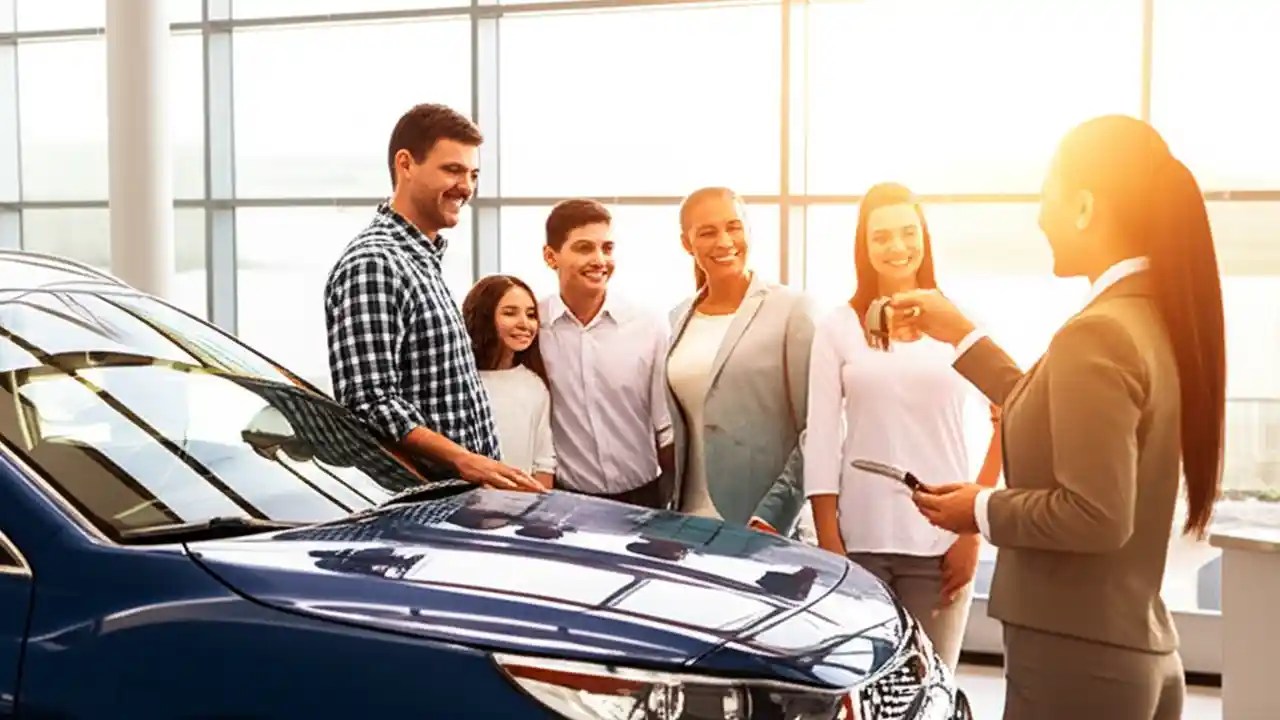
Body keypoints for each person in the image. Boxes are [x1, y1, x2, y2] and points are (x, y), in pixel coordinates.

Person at [891, 115, 1226, 720]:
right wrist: (963, 336)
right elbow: (1061, 414)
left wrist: (978, 508)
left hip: (1077, 658)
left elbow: (1096, 515)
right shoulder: (1152, 320)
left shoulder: (1097, 332)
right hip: (1132, 648)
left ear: (1084, 206)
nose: (1040, 218)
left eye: (1046, 197)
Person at [802, 182, 1002, 671]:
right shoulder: (838, 327)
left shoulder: (958, 321)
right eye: (882, 236)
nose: (897, 247)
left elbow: (1010, 413)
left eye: (908, 232)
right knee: (862, 694)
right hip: (860, 543)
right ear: (864, 248)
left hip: (940, 544)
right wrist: (831, 544)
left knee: (929, 688)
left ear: (924, 238)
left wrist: (972, 528)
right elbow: (823, 439)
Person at [324, 103, 541, 493]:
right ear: (405, 164)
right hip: (426, 510)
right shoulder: (375, 263)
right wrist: (465, 460)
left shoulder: (422, 260)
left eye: (473, 174)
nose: (467, 187)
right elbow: (369, 402)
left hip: (462, 502)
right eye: (453, 170)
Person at [665, 186, 816, 536]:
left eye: (733, 226)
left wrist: (774, 515)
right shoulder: (678, 317)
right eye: (707, 232)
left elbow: (818, 427)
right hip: (687, 520)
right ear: (687, 244)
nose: (724, 241)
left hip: (761, 525)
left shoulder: (793, 309)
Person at [537, 198, 675, 507]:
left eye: (607, 248)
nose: (600, 260)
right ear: (551, 256)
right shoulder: (533, 326)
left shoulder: (648, 326)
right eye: (584, 248)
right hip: (566, 503)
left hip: (645, 500)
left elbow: (665, 428)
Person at [462, 274, 556, 489]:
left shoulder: (534, 385)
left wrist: (536, 514)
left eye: (531, 314)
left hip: (521, 508)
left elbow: (544, 462)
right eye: (510, 313)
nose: (525, 324)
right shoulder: (461, 383)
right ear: (484, 316)